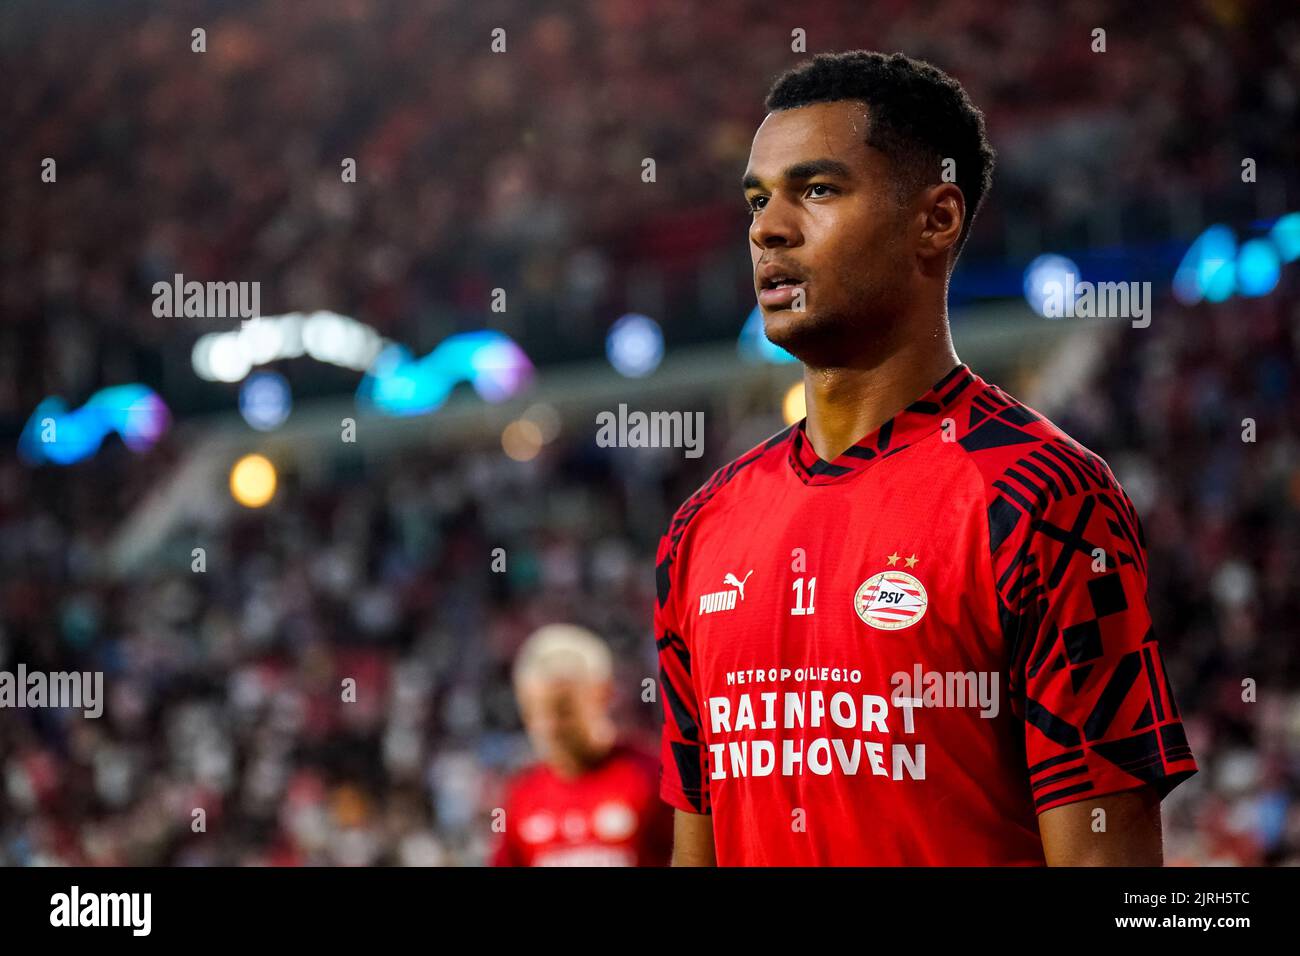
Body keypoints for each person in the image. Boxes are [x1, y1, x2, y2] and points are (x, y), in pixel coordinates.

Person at [654, 51, 1197, 866]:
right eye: (759, 199)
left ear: (936, 219)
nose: (768, 227)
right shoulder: (700, 529)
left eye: (819, 189)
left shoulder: (1043, 498)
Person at [492, 624, 672, 866]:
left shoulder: (651, 777)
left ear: (603, 694)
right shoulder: (522, 796)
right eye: (536, 712)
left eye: (564, 711)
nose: (550, 727)